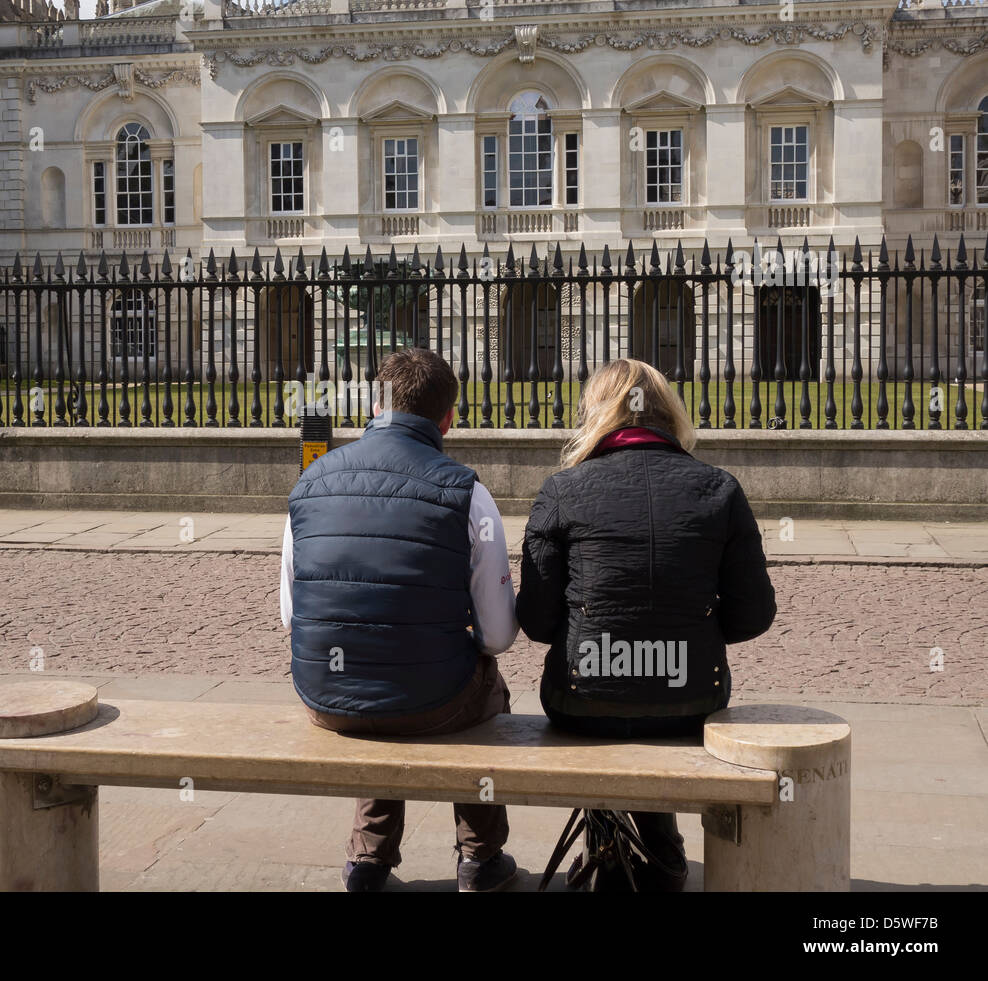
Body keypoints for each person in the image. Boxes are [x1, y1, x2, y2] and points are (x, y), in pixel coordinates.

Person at [516, 358, 776, 891]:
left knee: (610, 702)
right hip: (691, 699)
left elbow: (539, 622)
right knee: (648, 700)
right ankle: (657, 843)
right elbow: (753, 614)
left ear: (597, 414)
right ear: (670, 413)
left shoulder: (563, 490)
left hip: (582, 701)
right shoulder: (719, 488)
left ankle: (607, 839)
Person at [280, 348, 520, 893]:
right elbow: (499, 635)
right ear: (449, 419)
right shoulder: (468, 493)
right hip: (431, 700)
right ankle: (480, 858)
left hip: (325, 695)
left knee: (375, 667)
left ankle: (368, 858)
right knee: (479, 683)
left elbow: (292, 616)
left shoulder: (311, 481)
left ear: (373, 403)